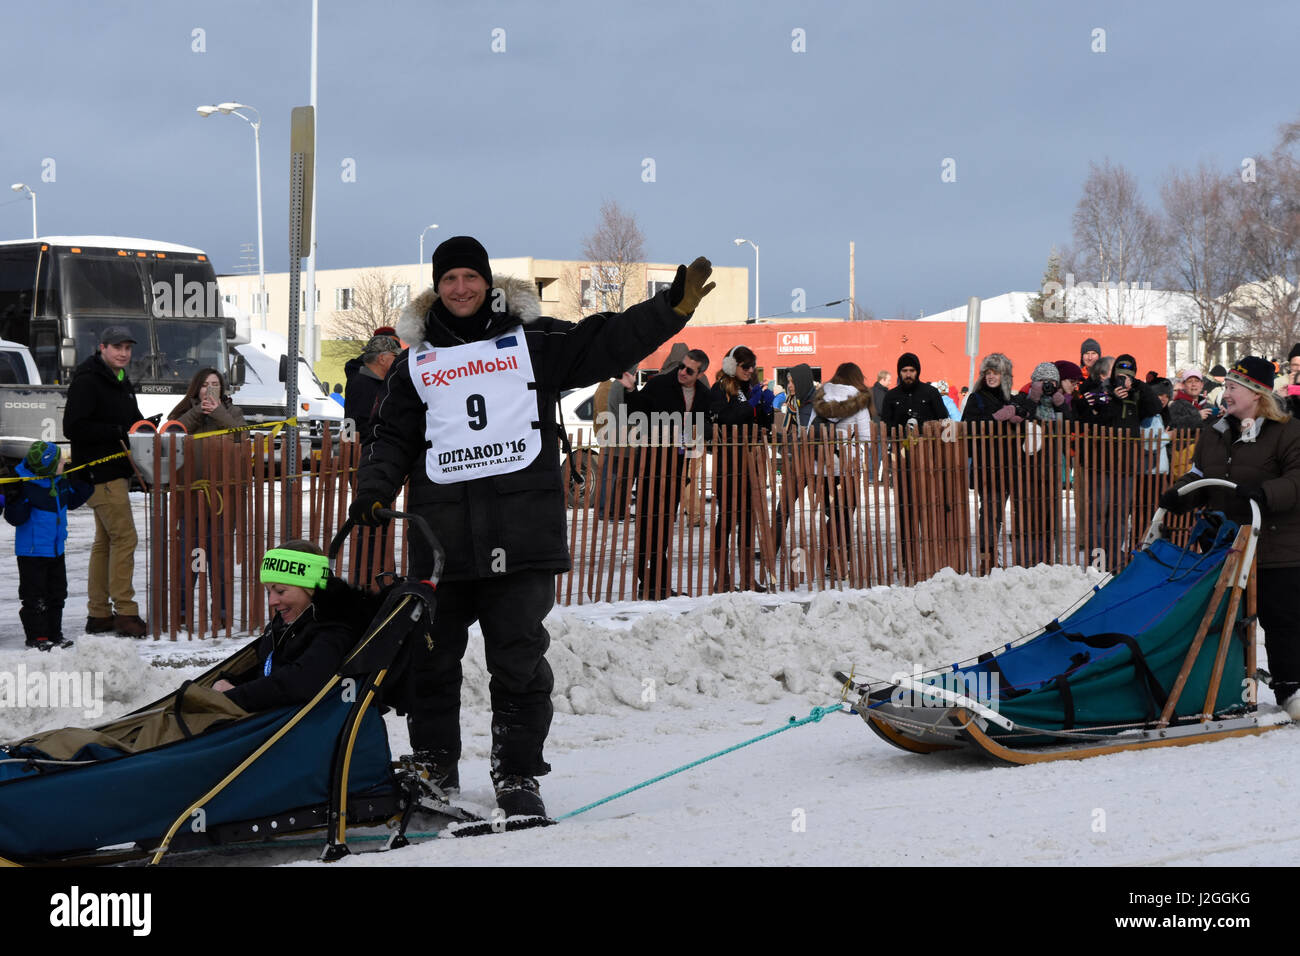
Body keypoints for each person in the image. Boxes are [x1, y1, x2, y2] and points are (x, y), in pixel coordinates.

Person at [350, 236, 714, 819]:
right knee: (431, 658)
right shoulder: (416, 362)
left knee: (518, 662)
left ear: (487, 283)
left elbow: (604, 339)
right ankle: (433, 766)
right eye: (449, 280)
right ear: (436, 288)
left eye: (470, 278)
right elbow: (390, 437)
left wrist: (668, 309)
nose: (461, 289)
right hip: (440, 539)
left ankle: (517, 774)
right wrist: (373, 489)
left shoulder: (533, 341)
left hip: (522, 534)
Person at [1159, 357, 1300, 719]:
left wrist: (1265, 492)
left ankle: (1291, 687)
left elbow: (1297, 481)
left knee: (1281, 620)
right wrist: (1180, 494)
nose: (1226, 393)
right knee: (1224, 621)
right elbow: (1199, 474)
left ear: (1256, 393)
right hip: (1227, 547)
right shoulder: (1216, 431)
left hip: (1276, 546)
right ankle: (1227, 686)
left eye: (1234, 387)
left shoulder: (1288, 431)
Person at [63, 325, 147, 637]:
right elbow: (73, 426)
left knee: (106, 542)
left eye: (127, 347)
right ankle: (125, 612)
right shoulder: (89, 380)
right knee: (125, 539)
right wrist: (114, 431)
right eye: (117, 347)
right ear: (102, 348)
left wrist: (143, 426)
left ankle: (98, 613)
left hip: (114, 472)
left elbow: (130, 421)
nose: (123, 353)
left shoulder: (120, 380)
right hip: (101, 474)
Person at [212, 540, 359, 712]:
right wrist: (231, 681)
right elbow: (266, 668)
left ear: (310, 588)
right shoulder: (285, 624)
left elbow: (298, 683)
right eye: (269, 592)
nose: (271, 601)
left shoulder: (334, 630)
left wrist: (233, 696)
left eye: (280, 591)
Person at [626, 349, 710, 599]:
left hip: (677, 465)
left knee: (664, 526)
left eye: (689, 370)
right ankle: (645, 582)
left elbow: (704, 424)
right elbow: (635, 412)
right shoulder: (661, 383)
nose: (682, 372)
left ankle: (660, 584)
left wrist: (695, 435)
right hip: (651, 463)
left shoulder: (702, 395)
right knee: (646, 524)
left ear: (700, 373)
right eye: (682, 367)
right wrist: (630, 390)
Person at [168, 369, 247, 624]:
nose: (209, 389)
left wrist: (218, 414)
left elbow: (242, 437)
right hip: (189, 496)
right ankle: (182, 611)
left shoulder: (232, 412)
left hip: (224, 497)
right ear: (195, 388)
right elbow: (172, 434)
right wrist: (197, 412)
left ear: (222, 389)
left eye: (215, 385)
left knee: (220, 556)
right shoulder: (183, 412)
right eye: (204, 385)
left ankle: (221, 612)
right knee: (189, 556)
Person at [1073, 353, 1160, 568]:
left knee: (1120, 515)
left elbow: (1156, 408)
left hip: (1127, 466)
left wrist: (1137, 385)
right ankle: (1097, 560)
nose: (1123, 379)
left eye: (1128, 375)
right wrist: (1112, 397)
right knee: (1098, 512)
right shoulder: (1101, 392)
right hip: (1101, 464)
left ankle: (1113, 558)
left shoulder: (1138, 394)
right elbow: (1093, 419)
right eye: (1120, 375)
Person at [3, 442, 93, 650]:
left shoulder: (59, 481)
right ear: (47, 466)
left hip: (56, 549)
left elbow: (72, 500)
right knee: (35, 596)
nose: (64, 462)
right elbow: (15, 518)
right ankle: (37, 636)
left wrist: (86, 482)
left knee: (57, 594)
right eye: (60, 460)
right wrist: (14, 497)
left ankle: (54, 633)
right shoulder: (26, 485)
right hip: (32, 552)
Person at [709, 345, 774, 592]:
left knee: (748, 520)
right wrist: (751, 406)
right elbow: (726, 418)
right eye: (744, 366)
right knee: (726, 518)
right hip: (728, 461)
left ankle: (747, 577)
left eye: (752, 367)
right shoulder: (720, 389)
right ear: (731, 366)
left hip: (751, 461)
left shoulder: (749, 389)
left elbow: (758, 423)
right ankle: (722, 579)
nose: (749, 371)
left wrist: (766, 410)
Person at [881, 352, 950, 579]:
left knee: (928, 508)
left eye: (911, 370)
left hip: (928, 461)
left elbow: (944, 420)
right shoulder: (891, 396)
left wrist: (924, 427)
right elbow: (885, 425)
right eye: (904, 371)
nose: (908, 374)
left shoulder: (930, 393)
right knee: (905, 509)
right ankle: (906, 558)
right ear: (899, 373)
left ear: (917, 371)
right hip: (902, 461)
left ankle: (931, 556)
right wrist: (899, 431)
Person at [962, 353, 1031, 573]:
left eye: (996, 373)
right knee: (990, 511)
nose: (991, 377)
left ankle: (994, 554)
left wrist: (1019, 414)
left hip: (1010, 466)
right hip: (986, 466)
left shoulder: (1009, 399)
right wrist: (994, 419)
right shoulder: (977, 399)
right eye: (988, 373)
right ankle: (987, 555)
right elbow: (968, 429)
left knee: (999, 512)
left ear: (1005, 376)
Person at [811, 363, 874, 580]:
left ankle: (831, 560)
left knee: (832, 514)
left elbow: (811, 430)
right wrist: (858, 459)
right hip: (847, 467)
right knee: (845, 513)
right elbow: (866, 437)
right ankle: (840, 560)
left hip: (823, 467)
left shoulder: (821, 397)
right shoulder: (859, 401)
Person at [345, 333, 403, 451]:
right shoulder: (363, 384)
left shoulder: (370, 381)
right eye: (395, 356)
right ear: (382, 359)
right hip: (367, 452)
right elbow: (362, 424)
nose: (397, 360)